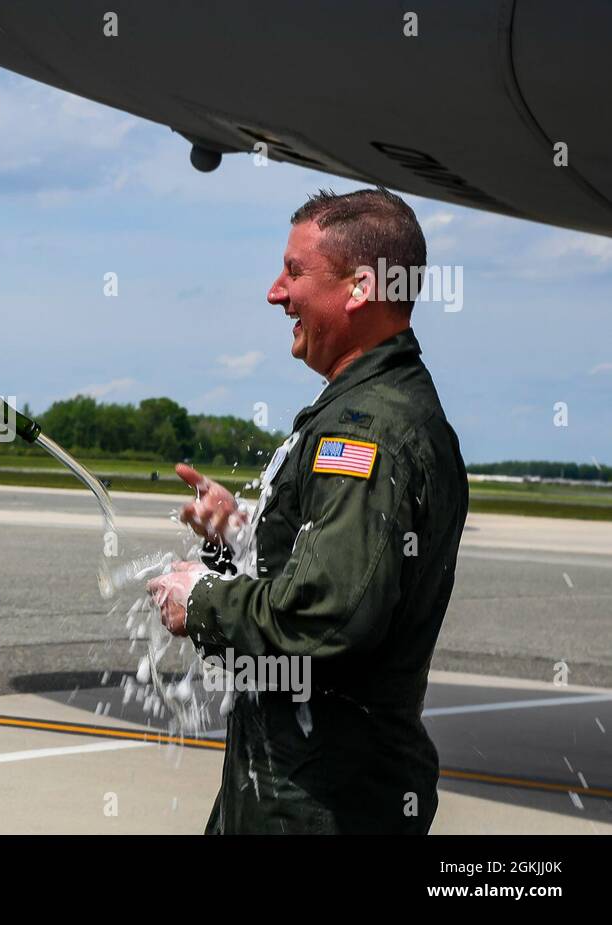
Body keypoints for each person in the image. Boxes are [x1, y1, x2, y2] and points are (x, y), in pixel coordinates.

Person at [147, 188, 468, 834]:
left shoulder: (366, 431)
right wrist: (241, 539)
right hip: (301, 787)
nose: (276, 292)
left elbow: (331, 614)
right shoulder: (370, 406)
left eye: (295, 272)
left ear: (358, 288)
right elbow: (337, 574)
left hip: (320, 802)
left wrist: (203, 601)